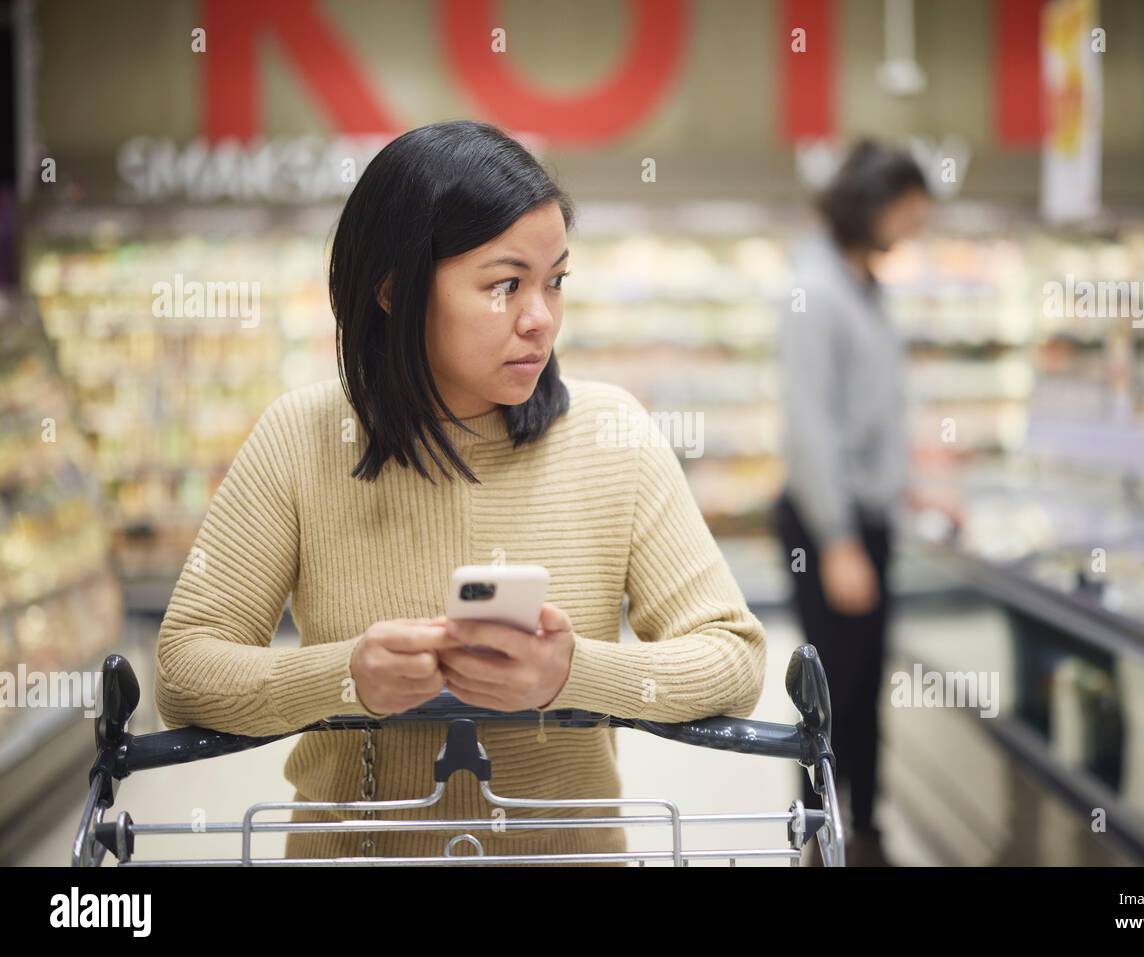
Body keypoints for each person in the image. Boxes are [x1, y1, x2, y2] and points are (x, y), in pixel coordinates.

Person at [153, 120, 766, 865]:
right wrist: (348, 678)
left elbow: (733, 658)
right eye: (504, 285)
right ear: (391, 288)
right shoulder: (302, 438)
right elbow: (186, 669)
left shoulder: (612, 435)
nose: (540, 318)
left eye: (555, 281)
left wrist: (571, 674)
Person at [773, 139, 933, 867]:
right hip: (827, 522)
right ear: (870, 205)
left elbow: (871, 413)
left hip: (865, 517)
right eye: (907, 211)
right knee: (829, 692)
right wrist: (836, 537)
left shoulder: (865, 284)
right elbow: (809, 425)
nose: (913, 226)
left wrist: (911, 483)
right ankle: (819, 830)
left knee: (863, 685)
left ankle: (864, 825)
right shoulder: (816, 287)